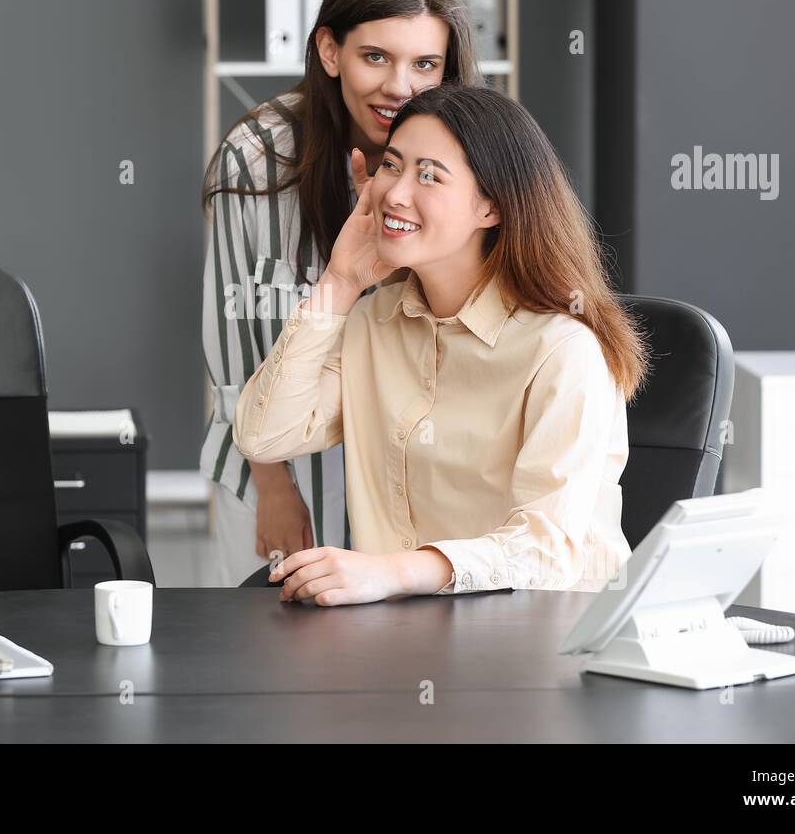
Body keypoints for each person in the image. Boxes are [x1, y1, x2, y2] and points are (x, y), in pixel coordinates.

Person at [233, 82, 651, 605]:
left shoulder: (563, 350)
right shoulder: (371, 323)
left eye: (429, 175)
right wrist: (338, 284)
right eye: (392, 165)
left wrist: (394, 572)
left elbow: (546, 551)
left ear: (491, 208)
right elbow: (264, 436)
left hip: (547, 644)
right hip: (405, 638)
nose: (395, 192)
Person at [201, 0, 482, 587]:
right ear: (331, 52)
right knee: (270, 670)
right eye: (375, 57)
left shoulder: (473, 163)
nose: (400, 87)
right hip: (276, 473)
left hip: (419, 476)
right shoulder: (255, 159)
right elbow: (233, 345)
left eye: (425, 64)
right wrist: (274, 488)